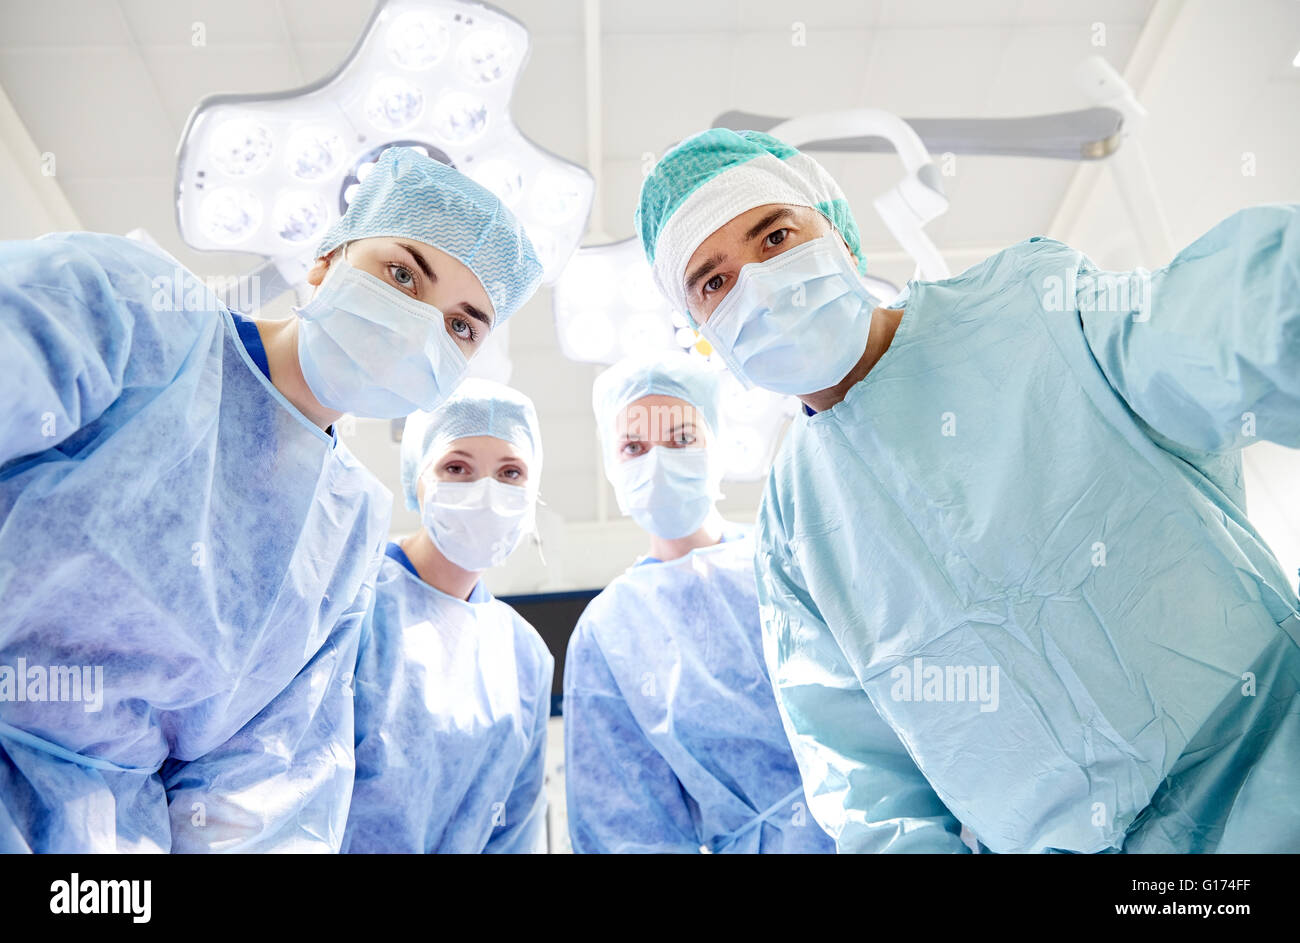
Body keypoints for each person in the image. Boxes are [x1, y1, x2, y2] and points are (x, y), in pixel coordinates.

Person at [634, 127, 1300, 854]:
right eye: (714, 281)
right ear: (704, 333)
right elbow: (869, 791)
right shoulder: (794, 534)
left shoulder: (1030, 306)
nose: (757, 284)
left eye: (775, 236)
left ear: (841, 237)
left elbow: (1218, 326)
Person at [0, 145, 542, 852]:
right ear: (325, 260)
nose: (422, 326)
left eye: (461, 325)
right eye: (402, 274)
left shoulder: (342, 534)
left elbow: (261, 785)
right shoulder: (131, 311)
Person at [563, 351, 835, 854]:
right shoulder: (610, 630)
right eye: (633, 446)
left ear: (718, 447)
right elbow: (625, 826)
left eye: (682, 438)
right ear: (611, 466)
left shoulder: (789, 560)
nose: (658, 460)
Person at [343, 379, 553, 854]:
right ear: (417, 479)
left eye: (511, 472)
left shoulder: (524, 655)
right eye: (457, 468)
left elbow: (514, 828)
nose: (486, 492)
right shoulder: (353, 606)